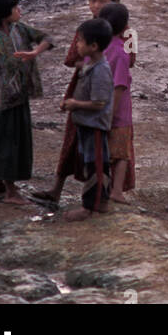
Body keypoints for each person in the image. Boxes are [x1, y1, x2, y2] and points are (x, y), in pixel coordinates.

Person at [33, 0, 122, 205]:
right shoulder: (86, 29)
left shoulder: (126, 32)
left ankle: (102, 196)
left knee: (104, 146)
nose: (96, 5)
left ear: (115, 3)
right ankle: (57, 188)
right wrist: (92, 62)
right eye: (92, 0)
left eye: (103, 1)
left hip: (108, 92)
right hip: (82, 88)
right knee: (72, 139)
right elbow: (71, 58)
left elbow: (130, 59)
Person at [0, 0, 53, 206]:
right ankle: (11, 191)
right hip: (2, 100)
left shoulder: (20, 29)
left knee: (15, 140)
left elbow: (46, 38)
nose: (20, 11)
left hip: (21, 95)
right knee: (7, 142)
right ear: (3, 12)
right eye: (15, 7)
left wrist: (35, 52)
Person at [61, 17, 114, 221]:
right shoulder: (90, 65)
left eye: (80, 41)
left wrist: (75, 105)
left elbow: (99, 102)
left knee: (96, 166)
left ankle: (89, 208)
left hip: (95, 127)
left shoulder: (101, 70)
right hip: (86, 124)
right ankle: (100, 202)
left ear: (93, 46)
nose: (77, 44)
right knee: (93, 163)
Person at [99, 1, 135, 203]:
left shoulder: (97, 49)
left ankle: (102, 188)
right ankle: (117, 190)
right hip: (118, 113)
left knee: (101, 152)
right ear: (124, 27)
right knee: (121, 154)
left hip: (96, 109)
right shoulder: (121, 52)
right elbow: (119, 86)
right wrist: (111, 113)